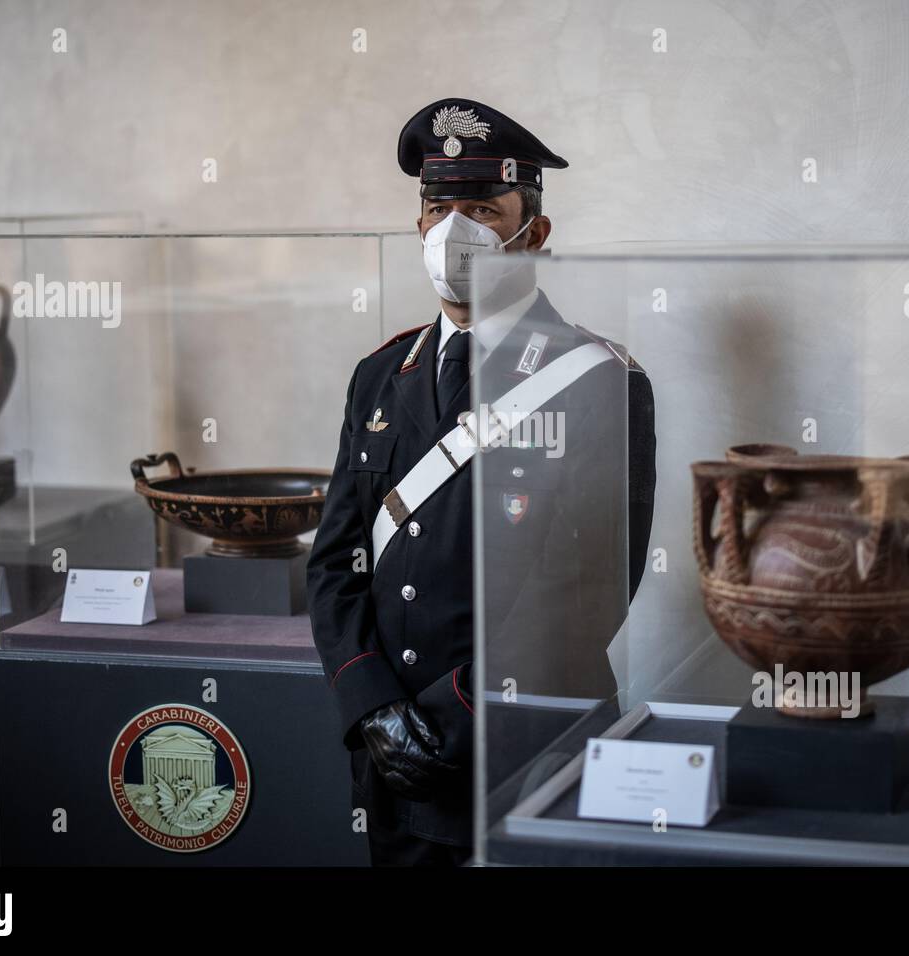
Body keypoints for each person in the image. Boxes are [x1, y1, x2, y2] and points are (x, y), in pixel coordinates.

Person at [306, 97, 656, 867]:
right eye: (438, 207)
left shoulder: (596, 379)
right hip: (395, 764)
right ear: (416, 225)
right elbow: (334, 565)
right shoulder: (378, 377)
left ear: (535, 232)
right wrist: (371, 708)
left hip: (524, 746)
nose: (454, 230)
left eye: (481, 209)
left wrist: (451, 717)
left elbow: (590, 589)